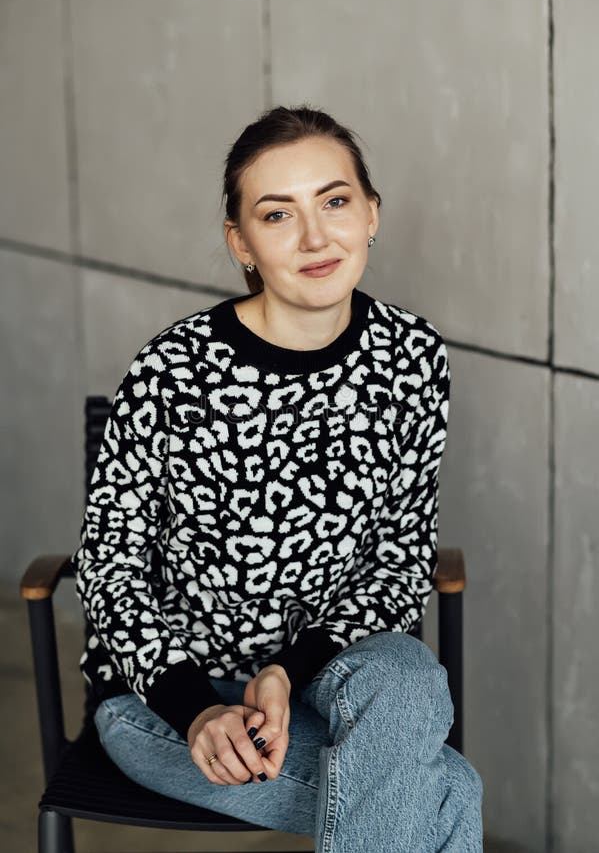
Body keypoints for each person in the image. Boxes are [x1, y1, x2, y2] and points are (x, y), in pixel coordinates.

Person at [72, 104, 484, 851]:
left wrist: (288, 673)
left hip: (328, 676)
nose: (314, 237)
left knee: (408, 673)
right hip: (170, 700)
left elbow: (398, 557)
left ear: (371, 215)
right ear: (241, 243)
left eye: (334, 201)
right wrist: (194, 707)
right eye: (276, 214)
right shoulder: (175, 370)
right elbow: (109, 566)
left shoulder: (412, 356)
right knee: (447, 792)